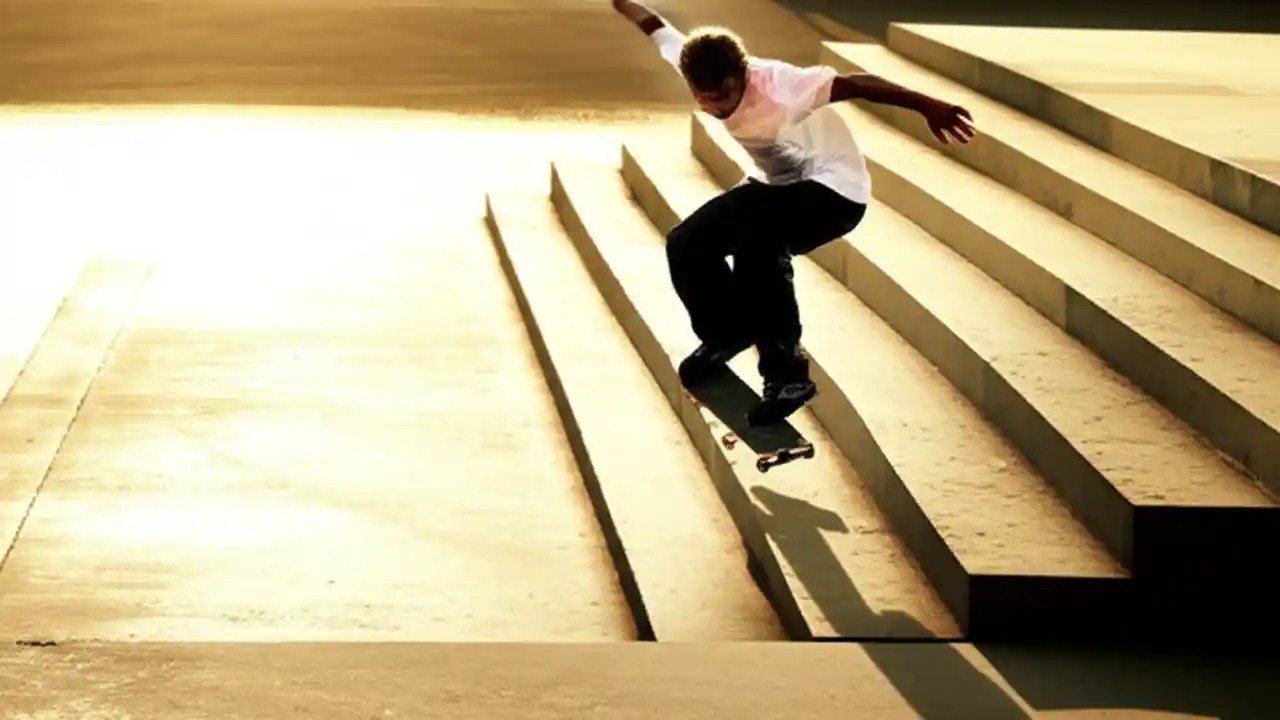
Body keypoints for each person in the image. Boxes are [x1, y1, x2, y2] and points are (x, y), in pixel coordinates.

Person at [611, 0, 976, 426]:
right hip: (773, 187)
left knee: (759, 249)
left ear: (740, 77)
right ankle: (727, 335)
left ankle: (788, 377)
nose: (713, 107)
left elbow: (857, 84)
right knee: (687, 243)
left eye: (722, 97)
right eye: (703, 99)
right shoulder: (697, 62)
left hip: (835, 193)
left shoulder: (781, 85)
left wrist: (927, 106)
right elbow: (656, 26)